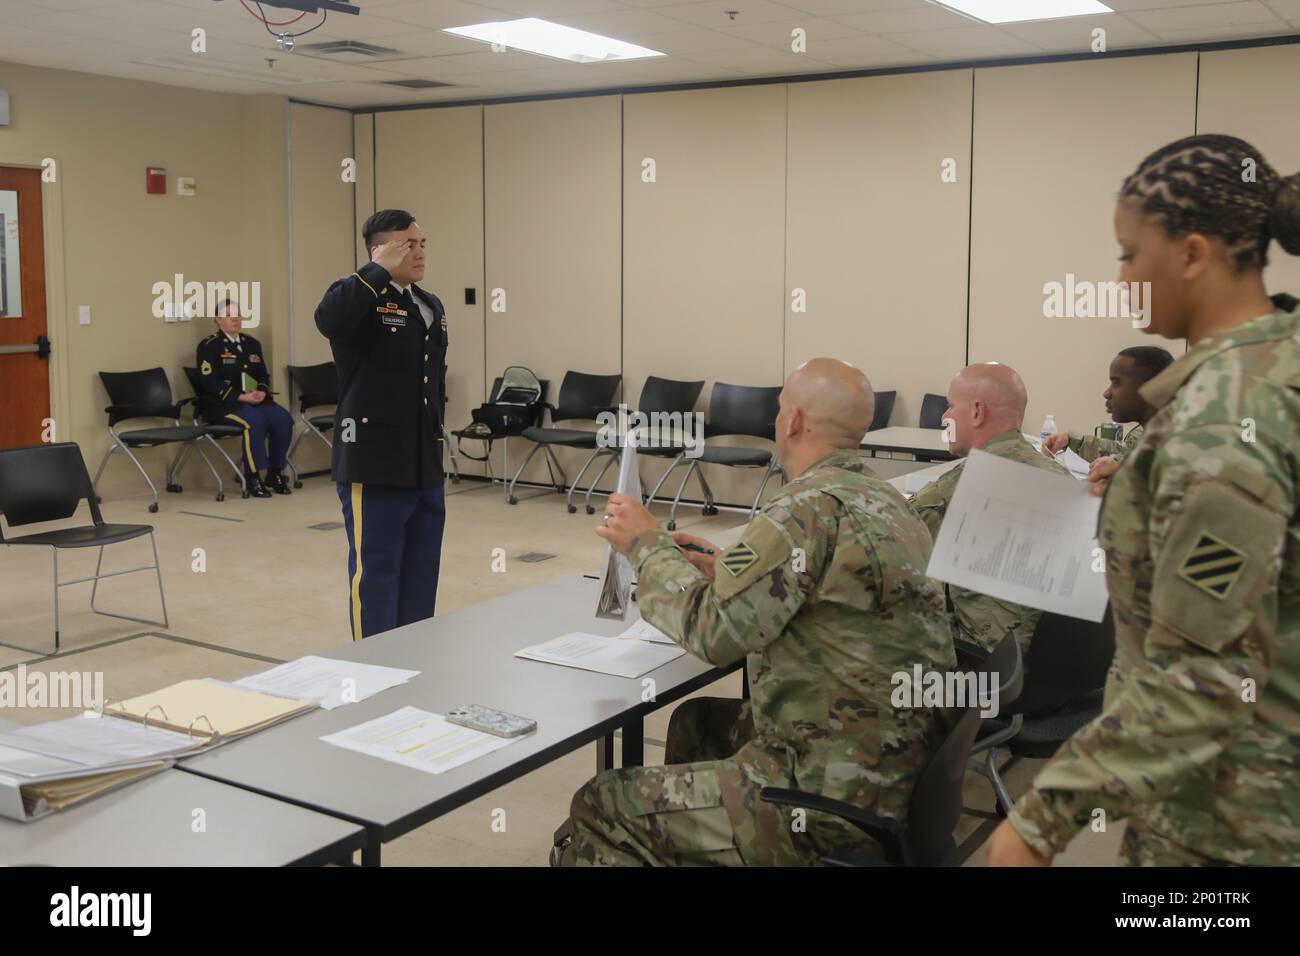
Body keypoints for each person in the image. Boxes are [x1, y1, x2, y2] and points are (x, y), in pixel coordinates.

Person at [988, 134, 1300, 867]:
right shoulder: (1272, 371)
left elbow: (1206, 678)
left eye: (1130, 254)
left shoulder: (1222, 421)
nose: (1122, 275)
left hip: (1229, 816)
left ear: (1192, 255)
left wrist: (1034, 828)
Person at [554, 358, 957, 866]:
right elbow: (825, 590)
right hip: (898, 771)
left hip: (829, 802)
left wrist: (646, 547)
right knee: (697, 723)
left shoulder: (803, 508)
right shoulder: (888, 501)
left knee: (600, 804)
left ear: (792, 422)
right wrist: (725, 569)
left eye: (781, 408)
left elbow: (714, 634)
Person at [314, 209, 449, 640]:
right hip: (373, 462)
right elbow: (329, 320)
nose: (419, 251)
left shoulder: (428, 305)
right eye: (408, 244)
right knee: (377, 573)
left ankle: (413, 654)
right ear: (381, 249)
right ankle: (373, 665)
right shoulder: (356, 295)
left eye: (422, 243)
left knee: (421, 570)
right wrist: (375, 270)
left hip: (422, 461)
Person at [909, 363, 1069, 655]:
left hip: (987, 657)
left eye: (949, 406)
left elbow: (894, 542)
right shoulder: (1060, 474)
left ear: (977, 412)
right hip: (1054, 658)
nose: (944, 417)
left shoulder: (963, 484)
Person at [196, 298, 294, 497]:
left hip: (255, 401)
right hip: (224, 405)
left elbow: (262, 375)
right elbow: (210, 383)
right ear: (218, 320)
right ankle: (252, 477)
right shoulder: (209, 346)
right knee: (254, 422)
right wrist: (241, 397)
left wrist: (261, 391)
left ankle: (275, 473)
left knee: (283, 419)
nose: (235, 319)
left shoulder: (252, 343)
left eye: (238, 315)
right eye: (229, 316)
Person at [1039, 346, 1173, 462]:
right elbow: (1124, 452)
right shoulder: (1153, 428)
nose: (1107, 393)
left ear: (1149, 387)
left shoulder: (1176, 440)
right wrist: (1071, 440)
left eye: (1116, 382)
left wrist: (1117, 468)